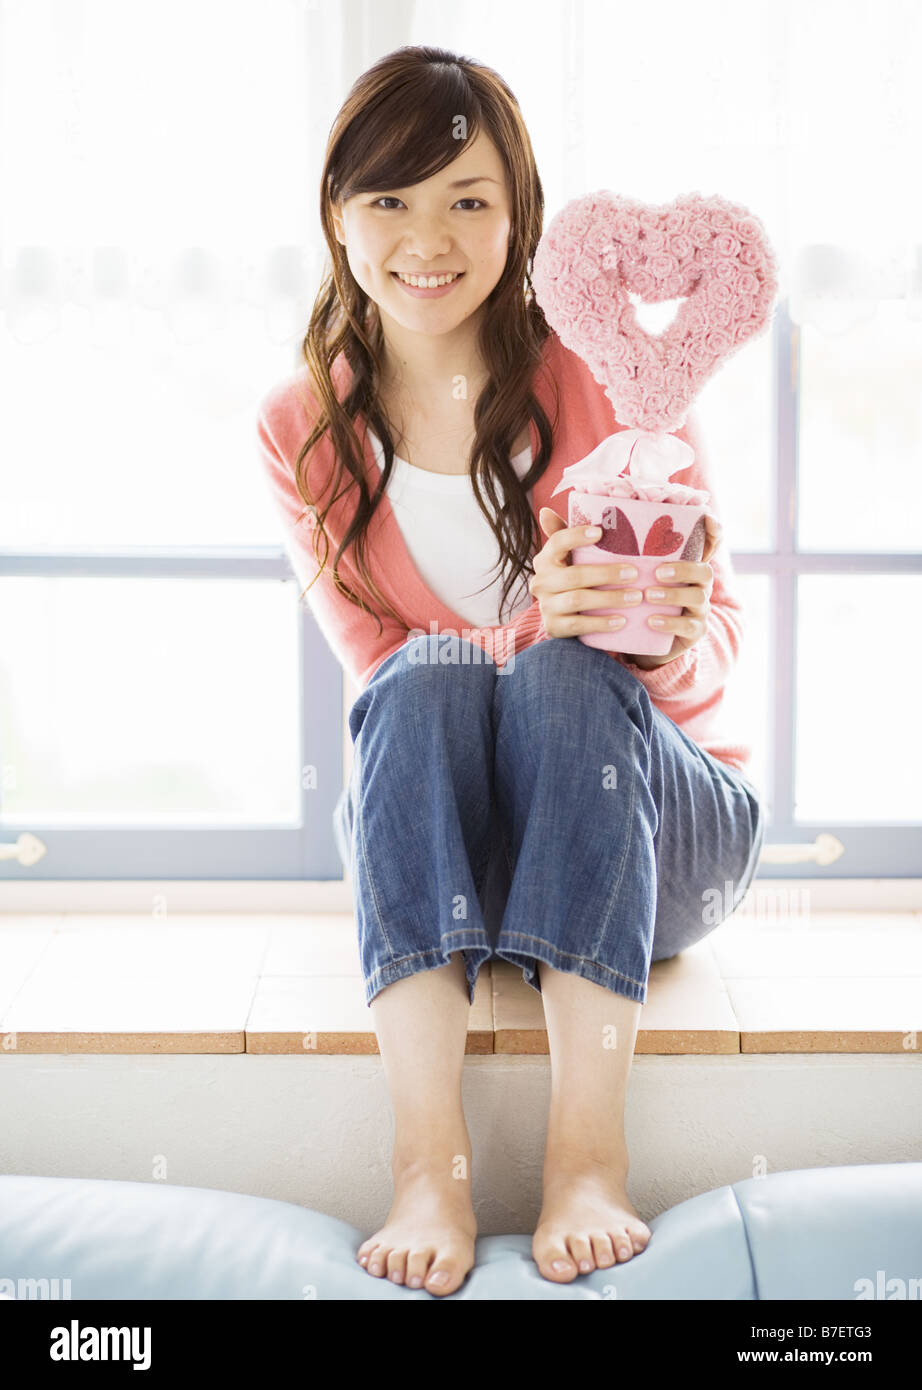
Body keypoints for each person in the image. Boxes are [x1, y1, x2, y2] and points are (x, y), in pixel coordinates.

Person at [256, 44, 765, 1298]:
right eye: (390, 199)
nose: (426, 238)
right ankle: (428, 1161)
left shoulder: (612, 379)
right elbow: (384, 681)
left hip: (660, 841)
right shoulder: (301, 428)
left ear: (516, 214)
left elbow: (715, 664)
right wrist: (539, 614)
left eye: (466, 199)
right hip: (465, 861)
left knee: (569, 679)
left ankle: (586, 1155)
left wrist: (662, 627)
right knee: (424, 678)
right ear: (337, 215)